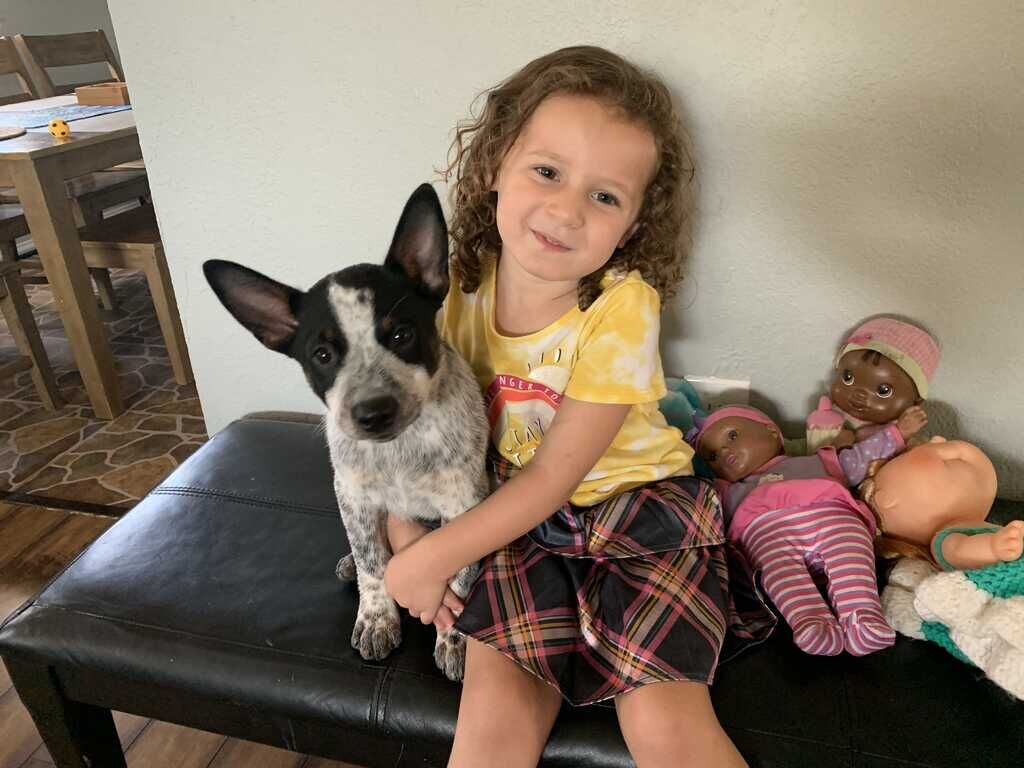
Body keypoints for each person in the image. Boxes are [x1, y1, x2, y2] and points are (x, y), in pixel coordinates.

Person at [383, 46, 748, 767]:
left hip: (640, 515)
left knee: (668, 729)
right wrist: (402, 534)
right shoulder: (455, 286)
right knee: (491, 726)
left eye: (605, 196)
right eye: (547, 172)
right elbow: (414, 434)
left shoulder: (622, 305)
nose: (565, 210)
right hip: (512, 524)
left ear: (635, 222)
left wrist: (433, 558)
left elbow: (553, 478)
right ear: (494, 164)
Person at [690, 405, 921, 657]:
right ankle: (812, 622)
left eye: (732, 436)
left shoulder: (818, 460)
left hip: (832, 514)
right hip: (768, 533)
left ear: (771, 432)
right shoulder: (724, 492)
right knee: (775, 569)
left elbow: (861, 458)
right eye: (712, 456)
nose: (723, 451)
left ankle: (864, 618)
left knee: (851, 549)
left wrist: (898, 433)